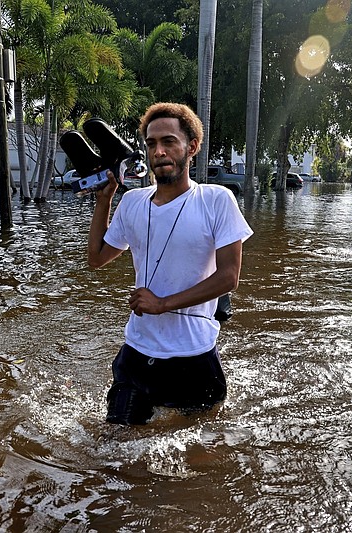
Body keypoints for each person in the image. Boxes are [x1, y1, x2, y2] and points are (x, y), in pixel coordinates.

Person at [87, 102, 254, 425]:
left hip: (193, 356)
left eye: (168, 142)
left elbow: (229, 277)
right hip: (136, 353)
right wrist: (104, 200)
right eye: (151, 144)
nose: (159, 151)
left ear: (191, 147)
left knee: (198, 454)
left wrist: (163, 303)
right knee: (114, 452)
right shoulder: (132, 201)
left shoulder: (215, 200)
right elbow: (97, 259)